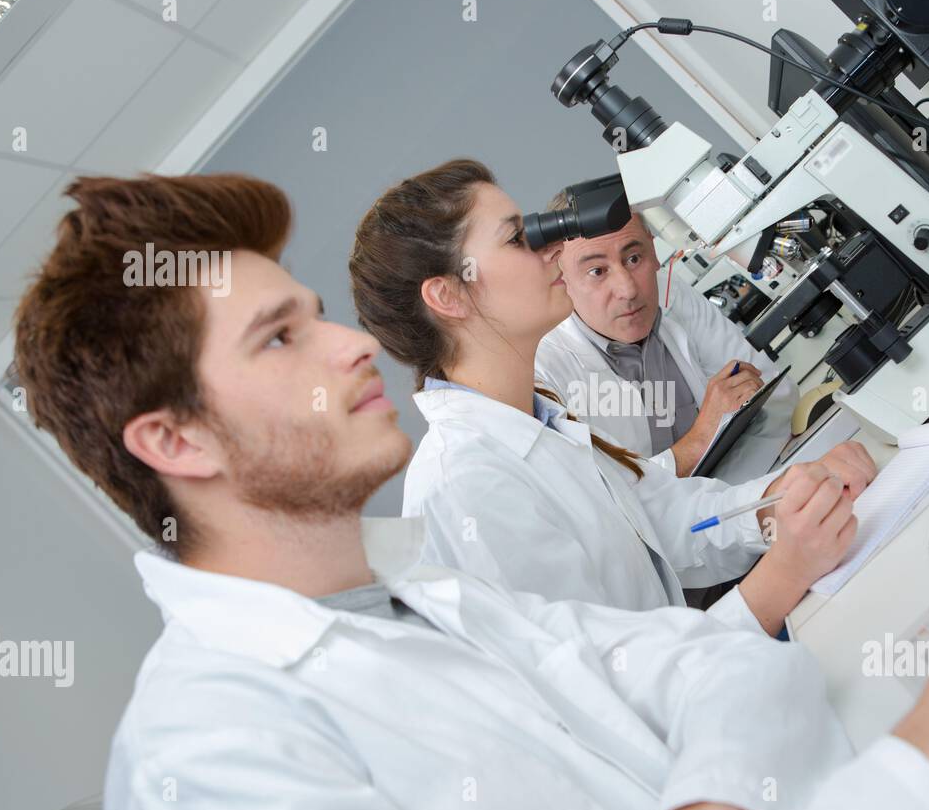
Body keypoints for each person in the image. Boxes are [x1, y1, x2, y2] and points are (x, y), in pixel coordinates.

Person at [13, 172, 929, 810]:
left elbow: (722, 667)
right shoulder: (210, 758)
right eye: (282, 337)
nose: (354, 345)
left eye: (315, 310)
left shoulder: (418, 593)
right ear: (173, 440)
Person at [350, 159, 875, 636]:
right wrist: (783, 576)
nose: (550, 248)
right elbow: (618, 683)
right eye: (518, 239)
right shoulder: (467, 484)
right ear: (449, 294)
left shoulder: (540, 420)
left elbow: (672, 520)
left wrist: (785, 501)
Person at [534, 190, 799, 478]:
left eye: (634, 258)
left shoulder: (672, 292)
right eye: (597, 271)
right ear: (560, 281)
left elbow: (772, 396)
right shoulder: (547, 368)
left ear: (653, 250)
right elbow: (616, 501)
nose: (628, 290)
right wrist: (703, 434)